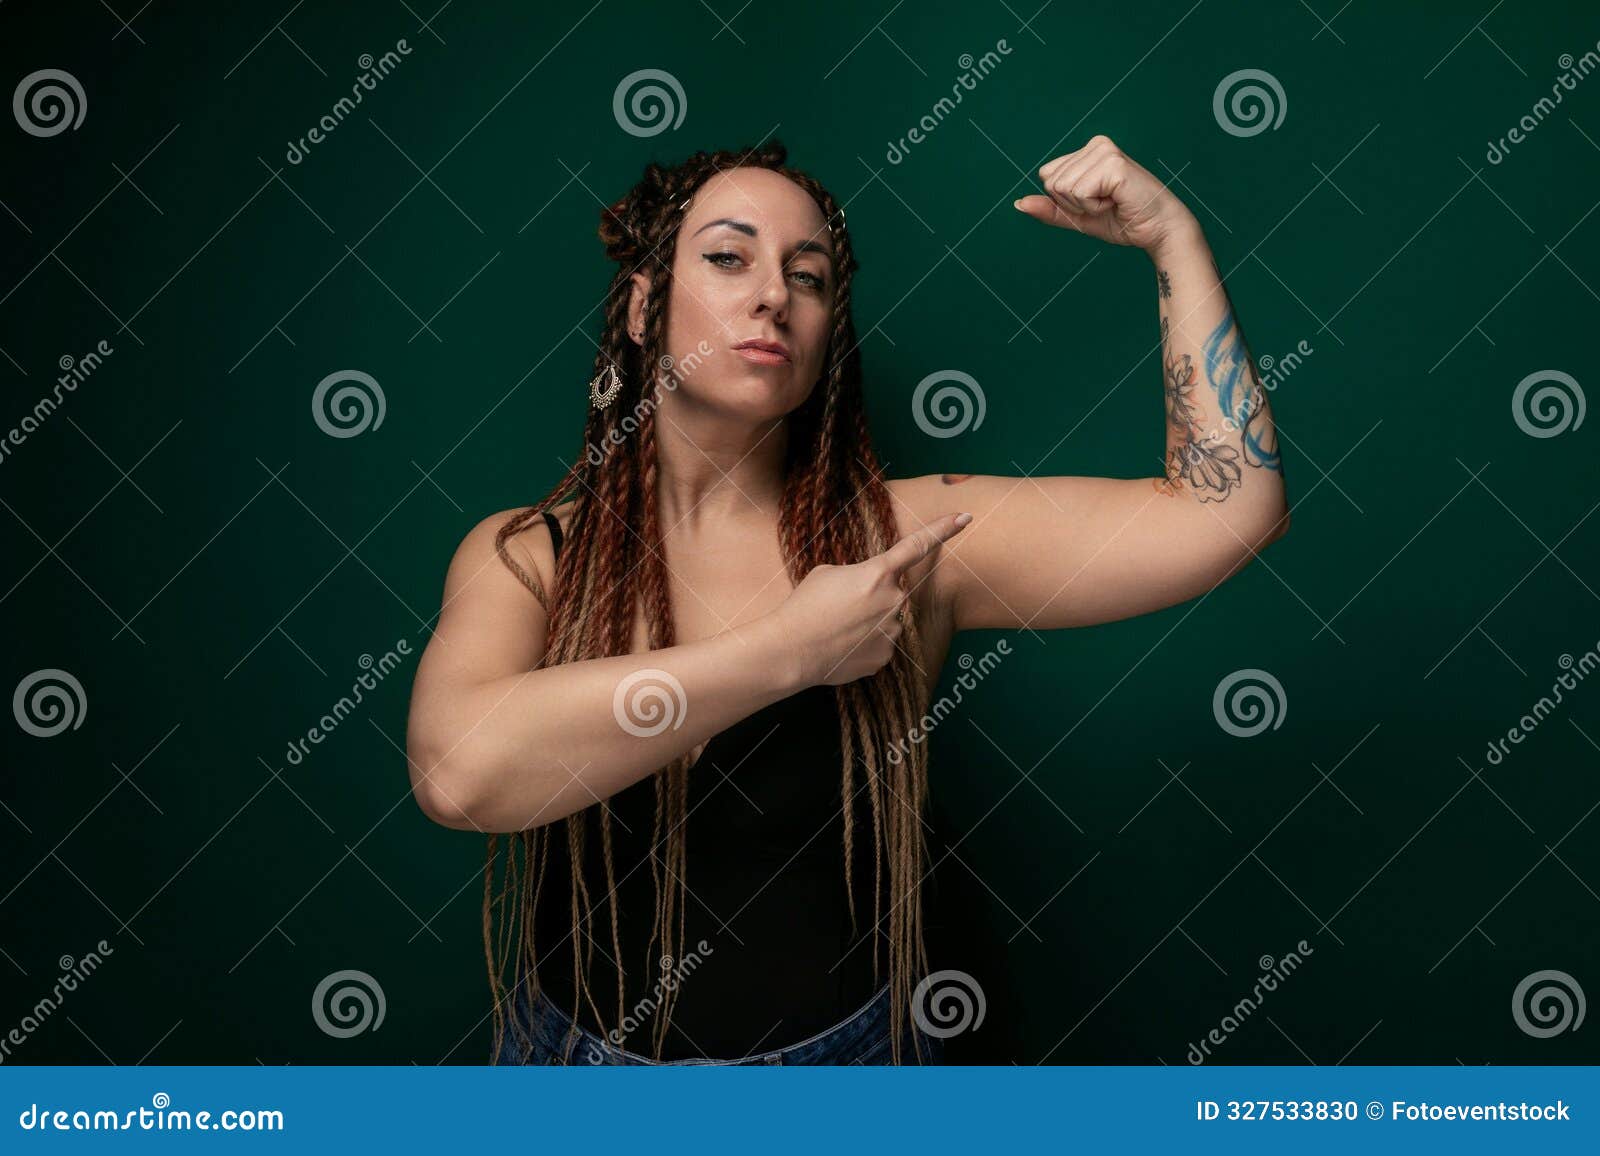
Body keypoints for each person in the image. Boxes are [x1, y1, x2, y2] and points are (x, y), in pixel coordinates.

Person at [403, 136, 1289, 1065]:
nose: (774, 294)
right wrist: (792, 650)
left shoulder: (905, 544)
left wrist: (1174, 240)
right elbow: (459, 776)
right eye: (727, 257)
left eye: (810, 276)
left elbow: (1228, 510)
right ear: (641, 308)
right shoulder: (533, 554)